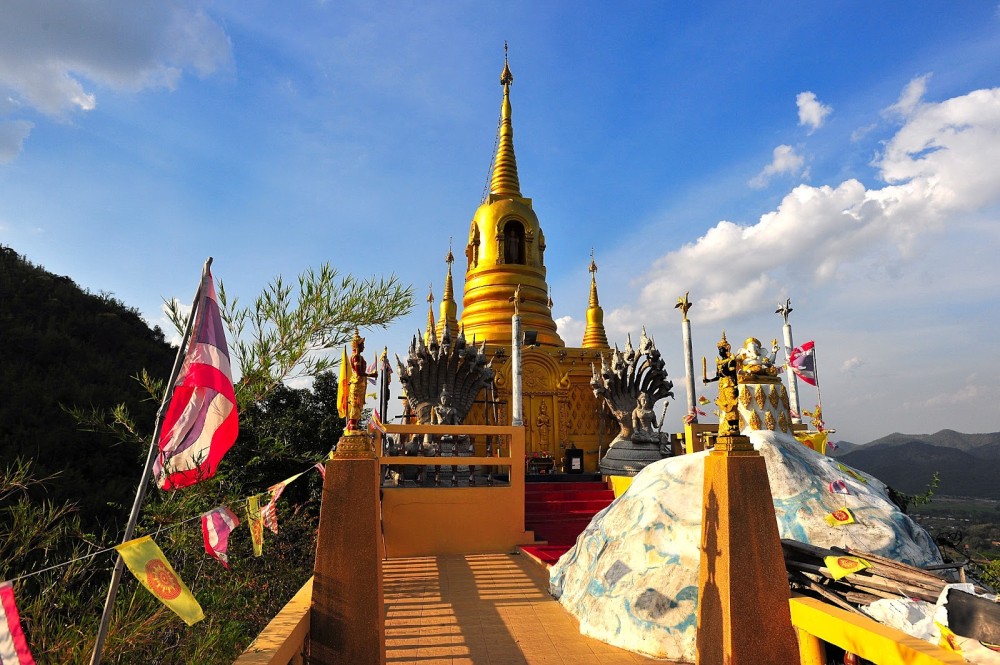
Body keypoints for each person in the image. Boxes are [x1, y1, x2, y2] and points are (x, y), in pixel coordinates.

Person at [704, 331, 740, 436]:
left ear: (726, 349)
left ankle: (735, 427)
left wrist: (736, 386)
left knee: (731, 406)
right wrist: (708, 380)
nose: (720, 351)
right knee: (724, 406)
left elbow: (733, 374)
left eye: (721, 349)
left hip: (729, 384)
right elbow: (718, 376)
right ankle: (727, 427)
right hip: (722, 386)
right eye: (718, 350)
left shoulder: (731, 360)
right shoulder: (719, 362)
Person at [347, 330, 375, 432]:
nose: (364, 347)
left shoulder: (358, 357)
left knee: (358, 405)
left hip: (359, 384)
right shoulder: (356, 357)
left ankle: (353, 426)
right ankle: (352, 426)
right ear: (358, 346)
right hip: (357, 383)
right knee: (355, 404)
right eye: (362, 345)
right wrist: (371, 374)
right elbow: (359, 372)